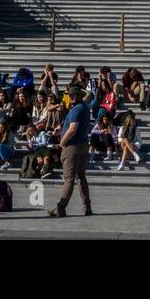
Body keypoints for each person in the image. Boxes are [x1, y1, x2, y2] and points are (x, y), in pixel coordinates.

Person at [48, 86, 93, 218]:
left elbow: (73, 129)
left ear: (79, 95)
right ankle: (87, 206)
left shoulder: (76, 109)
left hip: (72, 147)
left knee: (69, 178)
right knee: (81, 177)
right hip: (83, 145)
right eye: (70, 95)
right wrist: (61, 129)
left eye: (73, 95)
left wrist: (62, 141)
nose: (71, 97)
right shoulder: (84, 107)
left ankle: (60, 208)